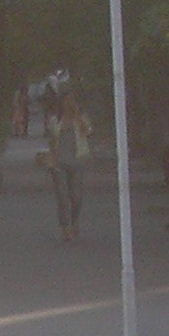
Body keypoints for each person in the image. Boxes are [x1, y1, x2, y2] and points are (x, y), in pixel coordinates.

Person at [44, 79, 92, 240]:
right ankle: (65, 227)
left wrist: (77, 115)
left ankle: (75, 220)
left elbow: (87, 131)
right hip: (59, 163)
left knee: (76, 197)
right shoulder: (54, 120)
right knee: (62, 197)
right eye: (66, 100)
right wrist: (50, 159)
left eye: (71, 100)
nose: (68, 103)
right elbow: (51, 141)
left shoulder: (80, 118)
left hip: (77, 160)